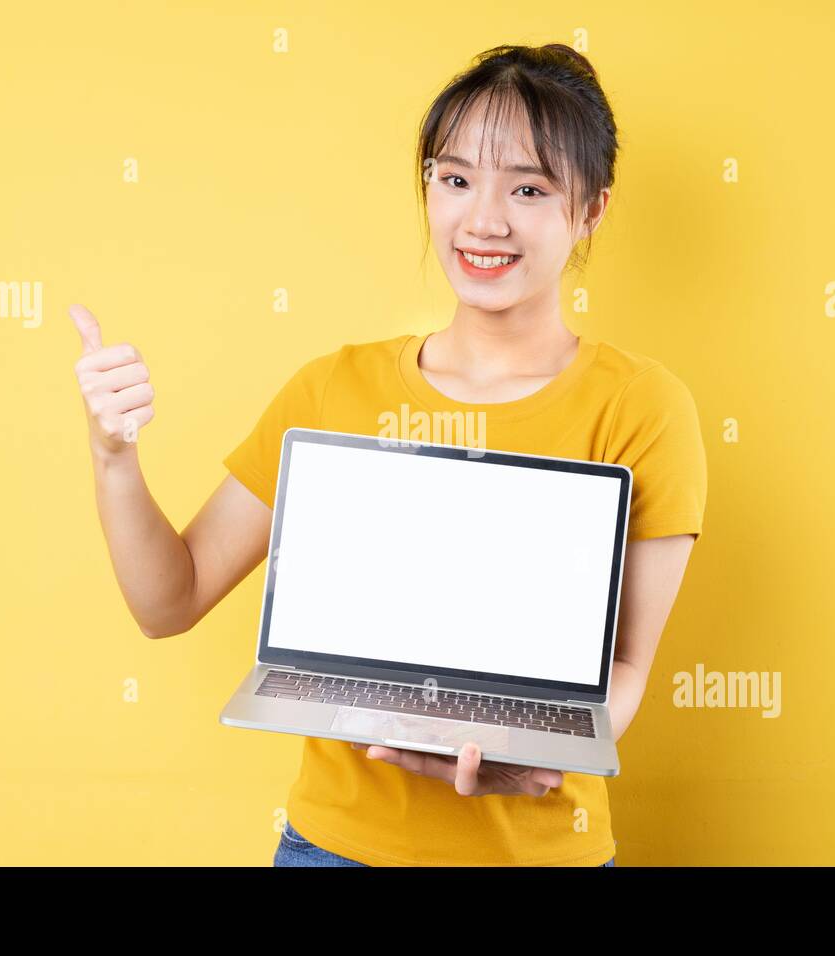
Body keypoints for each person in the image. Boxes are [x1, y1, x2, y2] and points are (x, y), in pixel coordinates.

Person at [68, 43, 706, 867]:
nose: (484, 220)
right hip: (334, 852)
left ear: (591, 211)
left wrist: (535, 757)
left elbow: (623, 669)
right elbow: (170, 601)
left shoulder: (643, 407)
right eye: (454, 179)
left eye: (529, 188)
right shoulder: (335, 386)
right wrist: (114, 458)